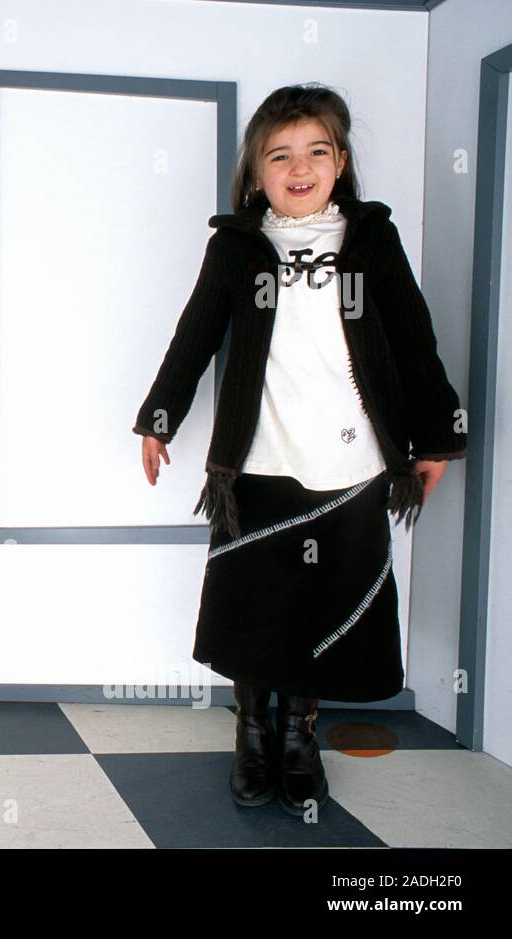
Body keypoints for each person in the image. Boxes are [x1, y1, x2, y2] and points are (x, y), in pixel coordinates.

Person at [132, 84, 467, 816]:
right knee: (258, 606)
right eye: (280, 155)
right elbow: (194, 336)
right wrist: (160, 417)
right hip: (258, 463)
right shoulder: (237, 245)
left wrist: (438, 435)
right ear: (257, 173)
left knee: (317, 607)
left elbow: (413, 340)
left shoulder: (370, 239)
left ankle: (298, 736)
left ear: (340, 163)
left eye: (317, 151)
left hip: (350, 464)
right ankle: (253, 731)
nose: (300, 166)